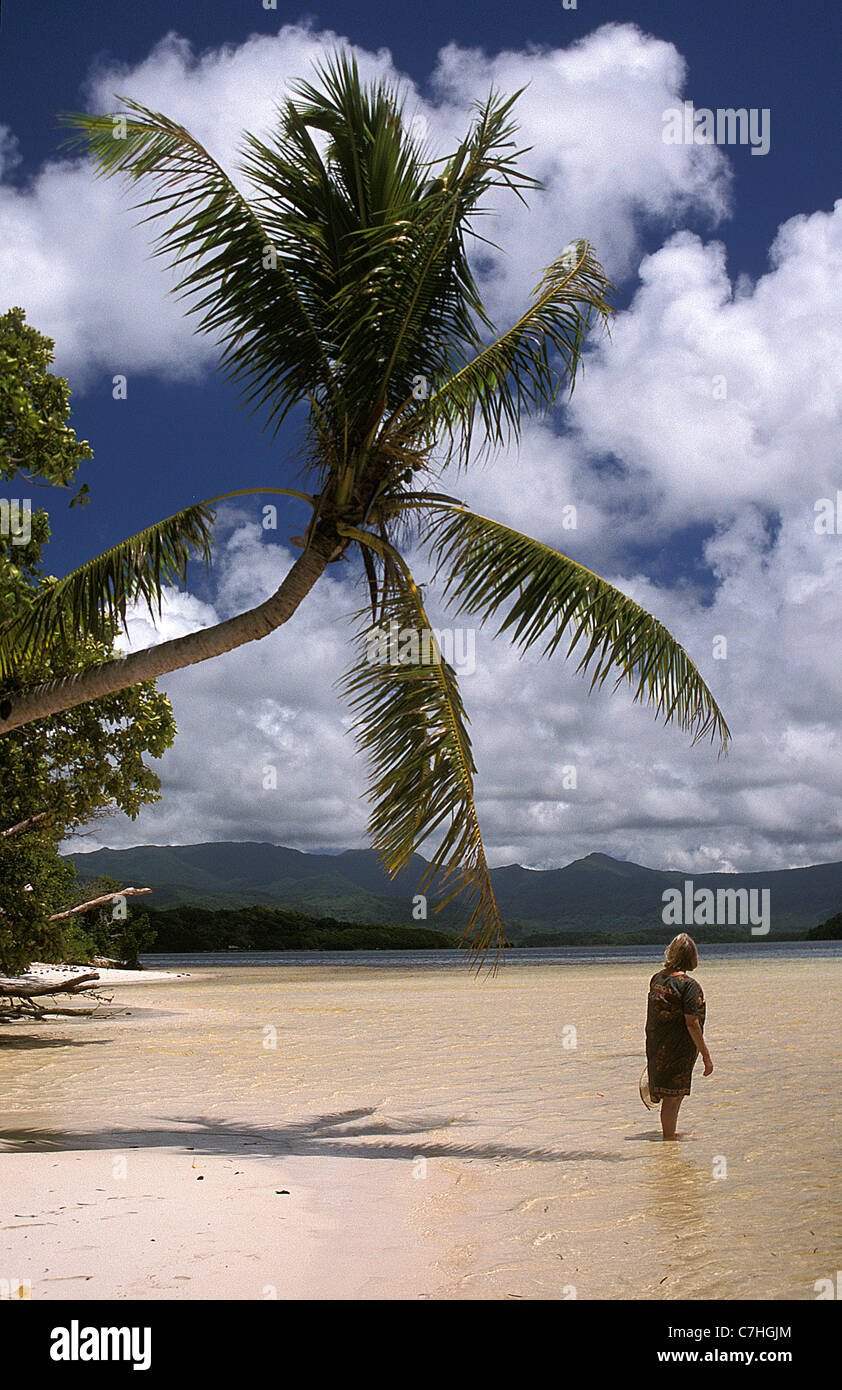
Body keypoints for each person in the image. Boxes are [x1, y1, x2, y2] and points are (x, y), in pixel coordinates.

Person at [645, 933, 713, 1139]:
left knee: (669, 1095)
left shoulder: (657, 979)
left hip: (657, 1043)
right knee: (673, 1097)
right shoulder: (689, 986)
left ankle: (669, 1135)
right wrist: (706, 1055)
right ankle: (669, 1139)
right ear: (692, 957)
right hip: (678, 1047)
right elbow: (692, 1023)